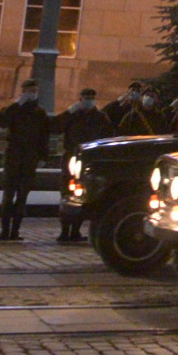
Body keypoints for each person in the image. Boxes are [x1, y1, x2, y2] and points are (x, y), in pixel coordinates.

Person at [51, 88, 112, 241]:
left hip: (89, 160)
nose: (89, 100)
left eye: (91, 97)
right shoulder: (73, 115)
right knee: (66, 194)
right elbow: (55, 128)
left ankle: (76, 230)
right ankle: (65, 231)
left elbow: (108, 136)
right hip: (71, 157)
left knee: (83, 195)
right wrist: (68, 112)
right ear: (80, 99)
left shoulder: (100, 118)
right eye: (86, 97)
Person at [0, 84, 50, 241]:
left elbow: (44, 136)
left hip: (29, 158)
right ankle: (4, 231)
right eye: (29, 91)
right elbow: (2, 121)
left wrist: (43, 156)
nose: (32, 94)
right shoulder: (14, 109)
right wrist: (16, 104)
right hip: (13, 156)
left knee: (22, 196)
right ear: (22, 92)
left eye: (34, 91)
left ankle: (15, 231)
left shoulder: (39, 112)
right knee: (8, 194)